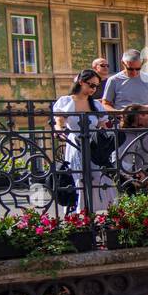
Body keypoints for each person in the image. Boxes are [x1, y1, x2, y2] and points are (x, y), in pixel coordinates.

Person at [52, 69, 118, 212]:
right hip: (76, 144)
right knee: (80, 178)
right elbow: (59, 120)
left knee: (100, 177)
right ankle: (80, 215)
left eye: (96, 86)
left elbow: (102, 125)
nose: (94, 89)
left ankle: (104, 212)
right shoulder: (66, 101)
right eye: (91, 85)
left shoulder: (95, 104)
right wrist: (59, 130)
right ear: (81, 82)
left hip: (95, 145)